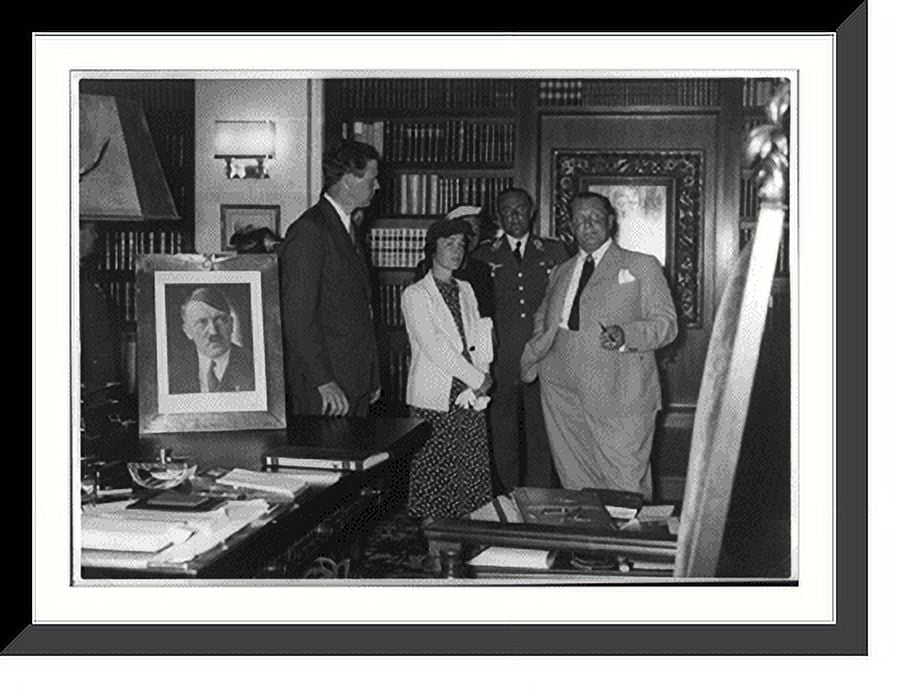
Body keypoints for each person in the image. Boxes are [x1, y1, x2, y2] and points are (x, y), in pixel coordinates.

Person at [521, 192, 678, 499]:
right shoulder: (561, 271)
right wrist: (540, 353)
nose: (587, 224)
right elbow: (545, 316)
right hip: (561, 392)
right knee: (577, 480)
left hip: (620, 391)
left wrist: (627, 334)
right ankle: (591, 545)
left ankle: (628, 546)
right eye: (579, 219)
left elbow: (667, 325)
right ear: (571, 226)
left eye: (594, 217)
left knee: (626, 480)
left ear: (609, 221)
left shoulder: (641, 265)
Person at [471, 187, 569, 492]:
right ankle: (508, 497)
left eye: (521, 209)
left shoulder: (555, 252)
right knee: (502, 432)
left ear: (532, 212)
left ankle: (539, 499)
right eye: (507, 210)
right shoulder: (483, 254)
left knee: (543, 432)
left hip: (544, 356)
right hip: (500, 357)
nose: (514, 216)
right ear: (499, 216)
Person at [279, 140, 382, 417]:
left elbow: (358, 311)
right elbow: (297, 317)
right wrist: (323, 380)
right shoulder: (310, 230)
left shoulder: (348, 228)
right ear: (348, 180)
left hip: (353, 379)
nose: (377, 186)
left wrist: (369, 375)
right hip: (327, 389)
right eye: (372, 179)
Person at [401, 218, 495, 521]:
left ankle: (464, 542)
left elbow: (478, 336)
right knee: (435, 473)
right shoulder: (416, 294)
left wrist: (482, 374)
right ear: (433, 247)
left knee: (467, 474)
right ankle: (436, 548)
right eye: (448, 243)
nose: (456, 250)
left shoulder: (466, 288)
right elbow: (435, 347)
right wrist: (477, 378)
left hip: (468, 395)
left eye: (461, 244)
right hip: (436, 396)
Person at [169, 287, 255, 394]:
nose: (213, 331)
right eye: (202, 322)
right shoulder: (172, 372)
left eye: (221, 320)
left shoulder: (255, 365)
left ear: (232, 324)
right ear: (187, 331)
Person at [446, 204, 495, 318]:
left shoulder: (481, 269)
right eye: (467, 227)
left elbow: (486, 314)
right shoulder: (433, 267)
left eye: (476, 228)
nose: (473, 234)